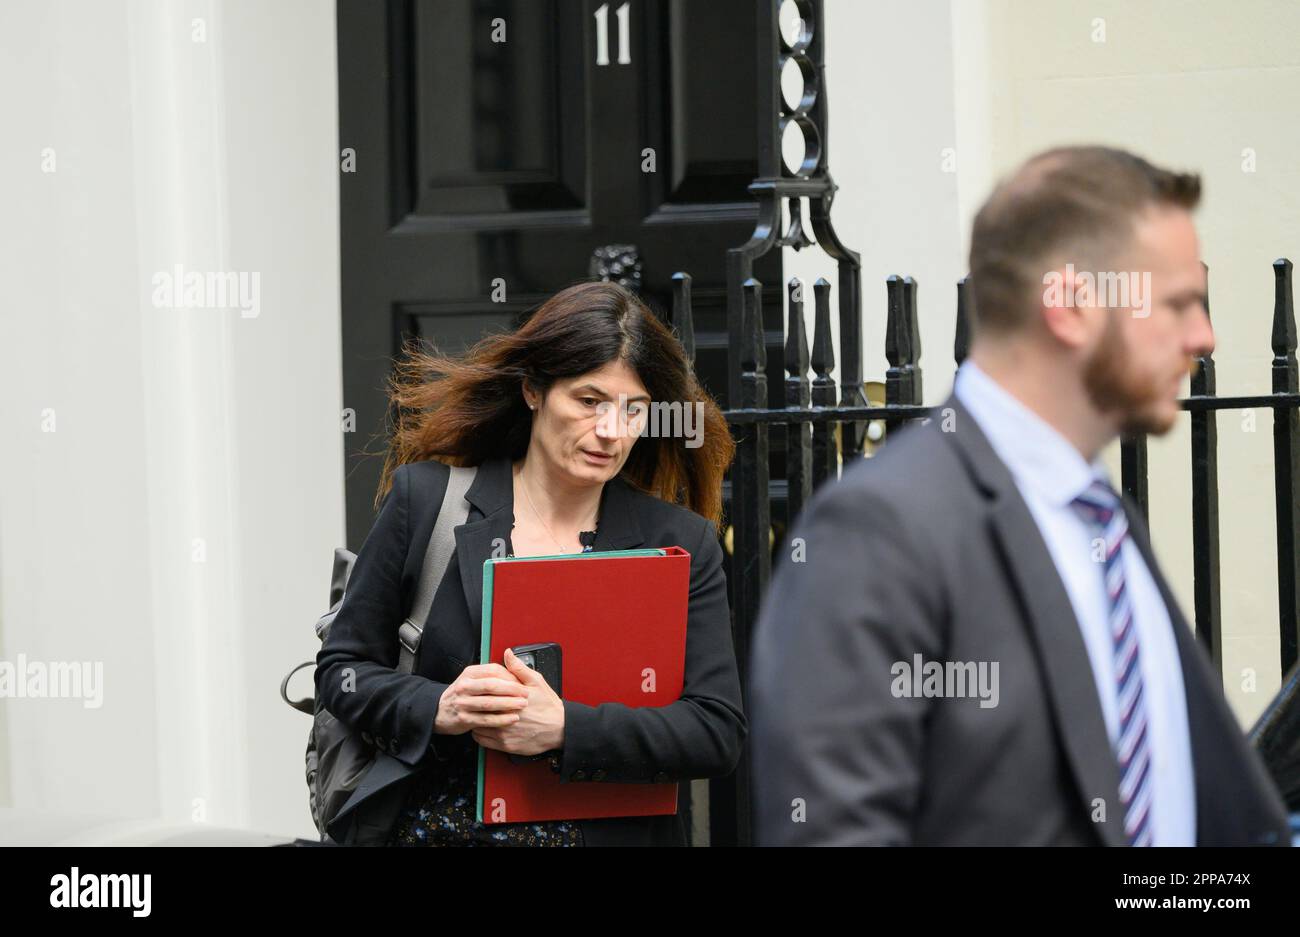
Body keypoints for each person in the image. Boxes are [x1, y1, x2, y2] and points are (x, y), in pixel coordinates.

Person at [750, 146, 1291, 846]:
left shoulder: (1102, 517)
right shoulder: (879, 528)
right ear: (1068, 306)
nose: (1204, 336)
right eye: (1178, 302)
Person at [315, 280, 744, 846]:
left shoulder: (680, 541)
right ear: (534, 391)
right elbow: (340, 670)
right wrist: (437, 705)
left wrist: (567, 728)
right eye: (589, 402)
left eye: (633, 410)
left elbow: (715, 731)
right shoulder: (427, 501)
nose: (612, 432)